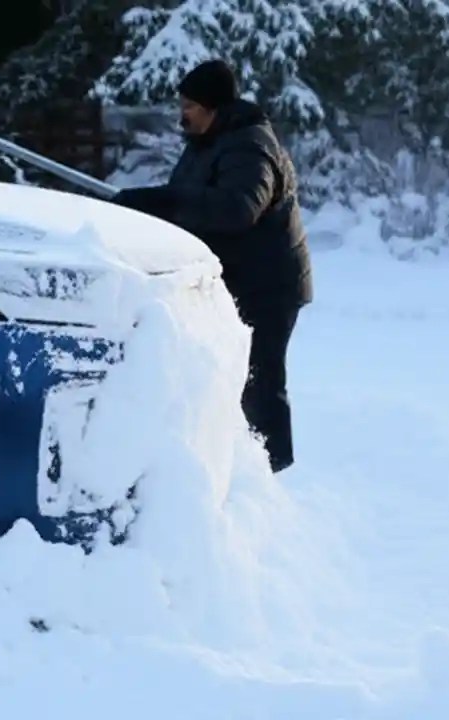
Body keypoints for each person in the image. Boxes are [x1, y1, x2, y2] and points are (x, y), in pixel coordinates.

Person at [110, 59, 313, 473]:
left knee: (259, 380)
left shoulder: (250, 145)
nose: (181, 113)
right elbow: (185, 197)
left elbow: (239, 208)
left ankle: (271, 473)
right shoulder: (208, 141)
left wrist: (159, 202)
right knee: (226, 376)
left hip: (269, 287)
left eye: (189, 105)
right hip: (236, 279)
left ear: (213, 106)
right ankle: (233, 463)